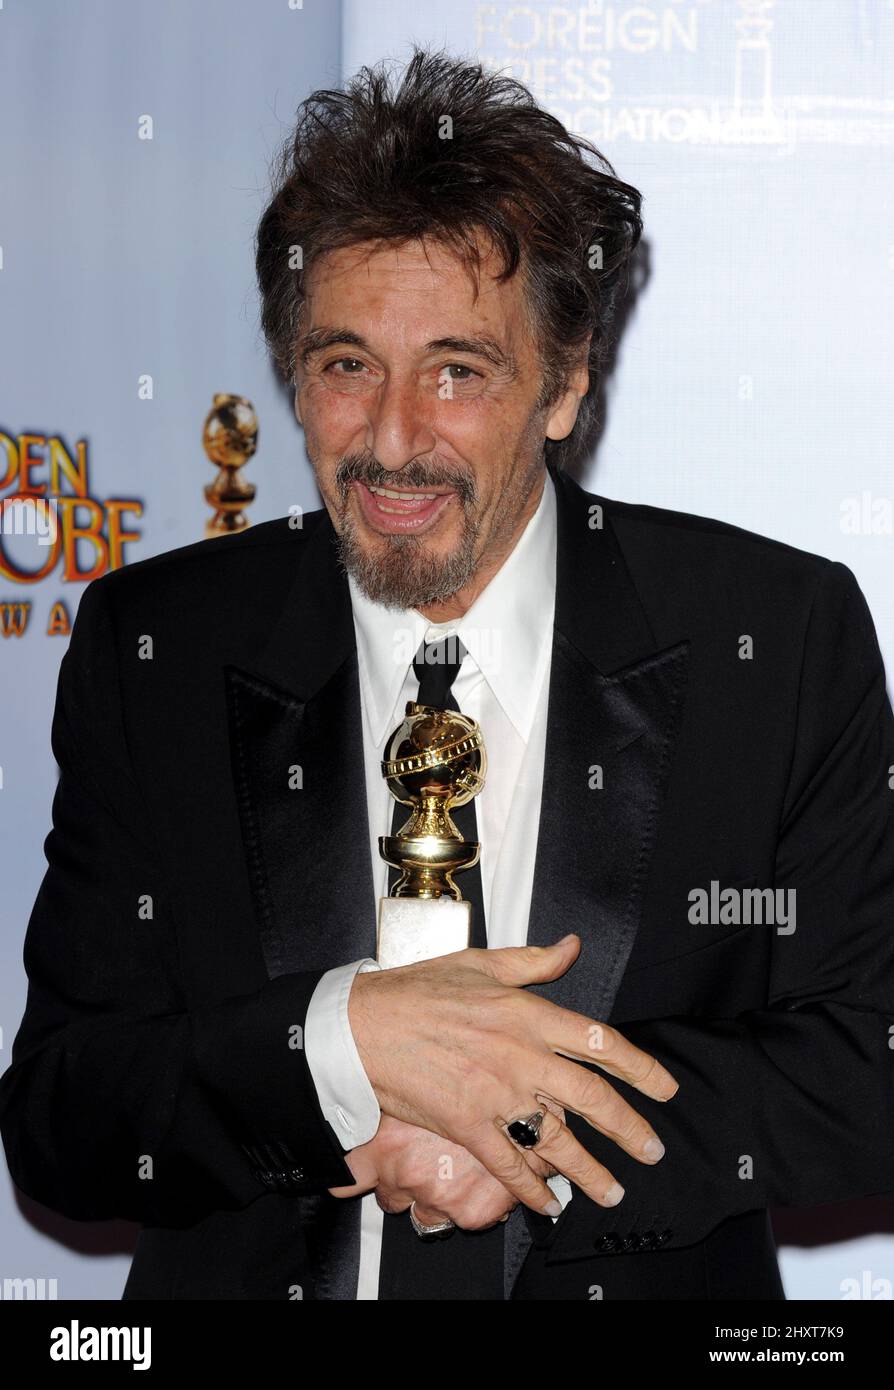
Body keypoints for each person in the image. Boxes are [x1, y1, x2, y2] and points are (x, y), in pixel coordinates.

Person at [2, 48, 893, 1301]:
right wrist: (338, 1049)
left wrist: (528, 1124)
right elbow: (63, 1115)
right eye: (346, 364)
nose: (394, 438)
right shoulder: (159, 646)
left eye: (460, 371)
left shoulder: (777, 635)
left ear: (566, 383)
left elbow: (863, 1063)